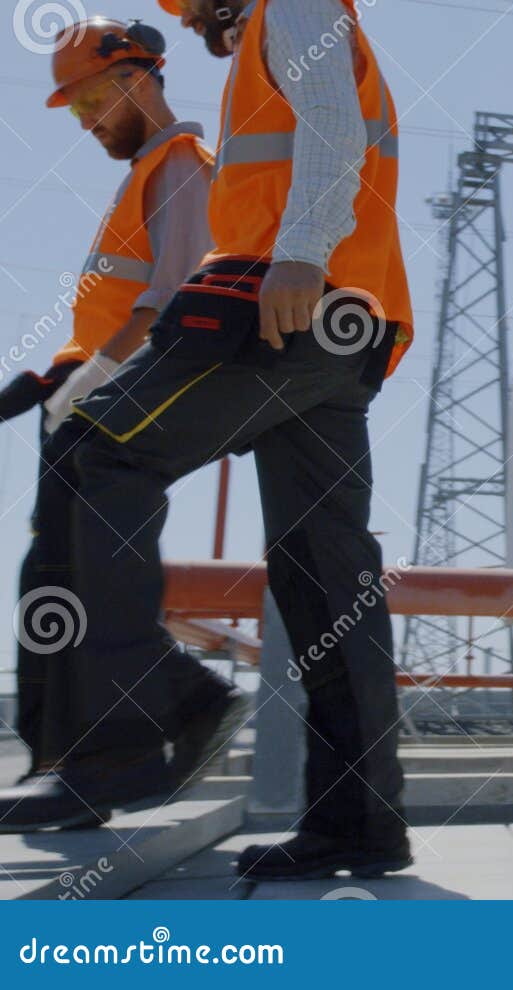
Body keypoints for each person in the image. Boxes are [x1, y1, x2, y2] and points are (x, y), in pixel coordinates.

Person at [0, 0, 416, 883]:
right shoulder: (275, 33)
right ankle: (361, 824)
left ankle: (148, 725)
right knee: (323, 574)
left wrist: (301, 252)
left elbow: (332, 123)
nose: (188, 21)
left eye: (189, 7)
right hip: (345, 325)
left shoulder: (291, 6)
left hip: (289, 305)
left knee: (93, 454)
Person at [2, 16, 231, 831]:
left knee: (91, 571)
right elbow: (108, 311)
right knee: (51, 583)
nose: (88, 120)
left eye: (93, 101)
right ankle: (61, 762)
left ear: (138, 80)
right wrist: (47, 379)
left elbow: (163, 303)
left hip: (115, 409)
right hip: (87, 399)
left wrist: (88, 384)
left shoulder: (181, 167)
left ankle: (163, 717)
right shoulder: (142, 175)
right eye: (76, 110)